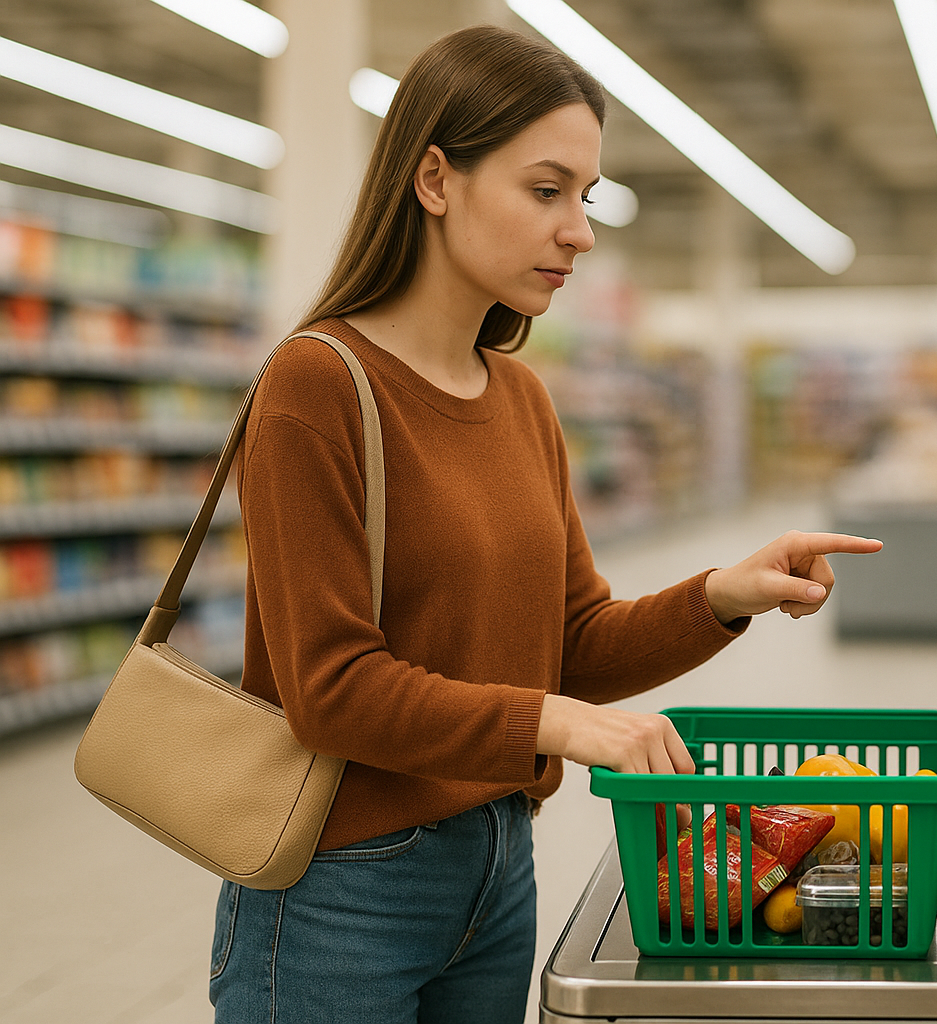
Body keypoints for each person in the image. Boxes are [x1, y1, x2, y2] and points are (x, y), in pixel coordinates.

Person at [208, 23, 881, 1024]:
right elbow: (330, 689)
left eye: (588, 197)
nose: (581, 230)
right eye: (546, 189)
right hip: (339, 890)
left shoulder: (518, 397)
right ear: (435, 179)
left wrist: (717, 597)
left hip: (497, 870)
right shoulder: (319, 384)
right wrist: (552, 723)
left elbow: (567, 645)